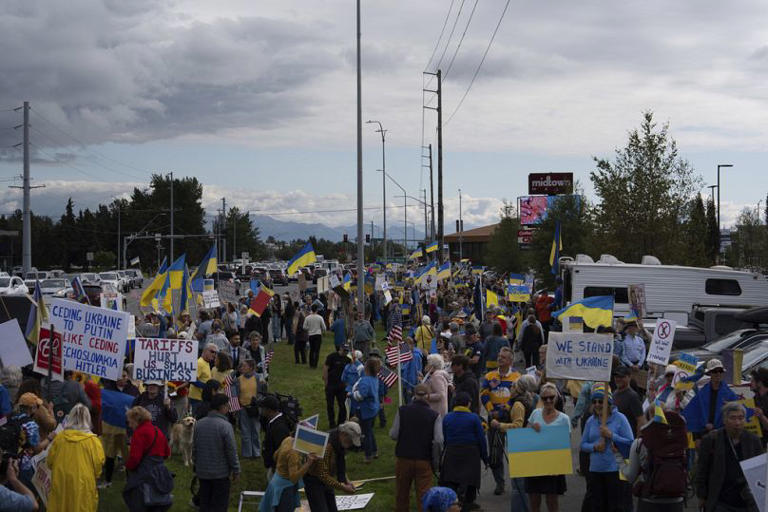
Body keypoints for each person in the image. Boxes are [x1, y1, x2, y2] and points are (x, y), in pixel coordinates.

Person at [697, 401, 765, 512]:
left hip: (747, 501)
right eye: (732, 418)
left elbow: (760, 471)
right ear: (724, 420)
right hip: (720, 499)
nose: (737, 422)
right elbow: (702, 469)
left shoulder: (753, 440)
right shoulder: (711, 440)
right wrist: (702, 496)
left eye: (741, 418)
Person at [579, 384, 634, 512]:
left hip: (614, 470)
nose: (597, 404)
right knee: (598, 507)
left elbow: (631, 443)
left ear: (608, 403)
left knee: (615, 507)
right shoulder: (591, 421)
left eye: (601, 401)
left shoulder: (620, 419)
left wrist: (612, 435)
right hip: (595, 470)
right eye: (594, 401)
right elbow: (583, 445)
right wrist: (594, 447)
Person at [390, 383, 443, 512]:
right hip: (423, 460)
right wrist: (436, 461)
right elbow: (439, 440)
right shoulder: (434, 415)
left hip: (403, 457)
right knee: (424, 496)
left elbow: (393, 434)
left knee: (402, 494)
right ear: (428, 396)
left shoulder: (402, 411)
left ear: (414, 395)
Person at [622, 407, 688, 512]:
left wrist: (619, 460)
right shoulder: (679, 443)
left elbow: (630, 476)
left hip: (650, 500)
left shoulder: (640, 443)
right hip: (676, 500)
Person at [46, 404, 105, 512]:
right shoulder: (93, 441)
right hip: (83, 483)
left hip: (61, 480)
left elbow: (49, 462)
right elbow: (98, 466)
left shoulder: (60, 438)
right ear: (88, 419)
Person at [490, 375, 537, 508]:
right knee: (521, 484)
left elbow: (517, 426)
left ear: (518, 389)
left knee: (518, 485)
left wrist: (499, 425)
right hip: (526, 442)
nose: (510, 387)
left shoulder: (517, 404)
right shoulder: (527, 400)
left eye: (513, 386)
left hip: (519, 443)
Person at [480, 347, 521, 495]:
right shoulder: (490, 376)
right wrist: (491, 410)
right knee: (495, 452)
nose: (499, 359)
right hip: (494, 419)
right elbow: (484, 394)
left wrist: (508, 407)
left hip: (511, 418)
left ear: (510, 360)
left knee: (516, 450)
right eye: (499, 356)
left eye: (503, 357)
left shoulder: (517, 376)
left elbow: (519, 395)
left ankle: (519, 483)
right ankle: (500, 483)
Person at [526, 383, 570, 512]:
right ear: (541, 399)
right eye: (545, 398)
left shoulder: (564, 419)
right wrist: (532, 429)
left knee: (552, 501)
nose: (548, 400)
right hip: (535, 463)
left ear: (556, 397)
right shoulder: (535, 414)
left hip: (553, 465)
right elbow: (525, 435)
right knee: (534, 500)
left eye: (551, 397)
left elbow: (565, 444)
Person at [440, 391, 487, 510]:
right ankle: (468, 502)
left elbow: (444, 437)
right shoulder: (474, 418)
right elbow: (481, 439)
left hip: (452, 450)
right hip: (470, 452)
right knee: (470, 479)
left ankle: (453, 503)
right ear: (468, 404)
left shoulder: (447, 417)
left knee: (452, 479)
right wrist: (485, 457)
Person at [193, 393, 240, 512]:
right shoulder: (225, 426)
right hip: (220, 473)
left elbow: (194, 448)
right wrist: (236, 469)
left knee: (204, 504)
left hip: (203, 471)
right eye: (227, 405)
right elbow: (231, 450)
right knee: (219, 506)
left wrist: (196, 465)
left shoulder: (199, 424)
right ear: (222, 407)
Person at [122, 406, 173, 512]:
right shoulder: (157, 430)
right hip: (159, 472)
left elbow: (135, 458)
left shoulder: (139, 433)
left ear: (137, 420)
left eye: (130, 422)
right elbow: (167, 453)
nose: (130, 425)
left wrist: (127, 466)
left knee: (139, 503)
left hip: (144, 474)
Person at [304, 422, 360, 511]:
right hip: (314, 481)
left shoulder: (339, 443)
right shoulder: (327, 446)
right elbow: (323, 475)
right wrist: (343, 487)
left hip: (327, 480)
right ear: (343, 434)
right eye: (350, 441)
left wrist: (346, 481)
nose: (351, 444)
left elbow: (338, 464)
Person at [682, 358, 739, 438]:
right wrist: (701, 430)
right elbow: (694, 413)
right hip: (705, 434)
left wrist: (730, 406)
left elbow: (738, 413)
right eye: (715, 371)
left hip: (724, 435)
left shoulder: (729, 394)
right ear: (709, 373)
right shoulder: (702, 393)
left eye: (720, 371)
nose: (718, 373)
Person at [259, 436, 319, 512]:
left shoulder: (288, 439)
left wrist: (283, 466)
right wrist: (308, 463)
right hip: (284, 488)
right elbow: (293, 478)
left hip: (276, 480)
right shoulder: (293, 453)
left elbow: (275, 456)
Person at [353, 358, 381, 463]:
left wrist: (352, 393)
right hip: (373, 408)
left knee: (365, 433)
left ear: (367, 368)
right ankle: (374, 451)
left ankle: (368, 455)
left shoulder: (365, 380)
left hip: (365, 411)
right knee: (370, 431)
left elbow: (360, 396)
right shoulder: (375, 378)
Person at [236, 359, 265, 459]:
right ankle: (247, 453)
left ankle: (256, 452)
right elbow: (236, 394)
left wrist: (257, 402)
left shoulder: (258, 378)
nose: (242, 368)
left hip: (255, 409)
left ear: (251, 368)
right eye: (241, 366)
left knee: (255, 431)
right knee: (245, 431)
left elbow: (262, 393)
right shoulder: (239, 379)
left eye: (244, 366)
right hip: (243, 409)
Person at [260, 394, 293, 480]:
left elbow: (282, 451)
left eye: (263, 408)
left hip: (278, 470)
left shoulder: (279, 428)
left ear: (269, 410)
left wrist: (276, 468)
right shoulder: (274, 422)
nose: (261, 410)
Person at [324, 343, 350, 428]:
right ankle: (332, 423)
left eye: (347, 351)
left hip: (341, 386)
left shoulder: (348, 360)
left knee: (342, 405)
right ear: (340, 349)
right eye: (344, 350)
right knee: (330, 405)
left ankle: (340, 423)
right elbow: (326, 367)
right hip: (331, 385)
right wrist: (326, 381)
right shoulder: (332, 356)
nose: (345, 352)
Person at [189, 343, 218, 415]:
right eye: (212, 351)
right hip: (196, 399)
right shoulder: (200, 363)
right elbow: (192, 379)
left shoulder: (206, 362)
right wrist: (207, 387)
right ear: (205, 350)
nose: (214, 354)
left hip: (202, 398)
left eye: (215, 352)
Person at [424, 353, 450, 417]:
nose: (426, 365)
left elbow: (440, 395)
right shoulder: (435, 375)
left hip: (436, 411)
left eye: (427, 363)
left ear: (433, 366)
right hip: (435, 410)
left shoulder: (437, 376)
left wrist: (424, 396)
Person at [304, 304, 327, 368]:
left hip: (311, 335)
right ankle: (315, 364)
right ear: (317, 310)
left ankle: (311, 364)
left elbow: (304, 327)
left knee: (312, 349)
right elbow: (324, 328)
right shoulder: (320, 317)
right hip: (318, 335)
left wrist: (309, 329)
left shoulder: (307, 317)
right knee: (317, 350)